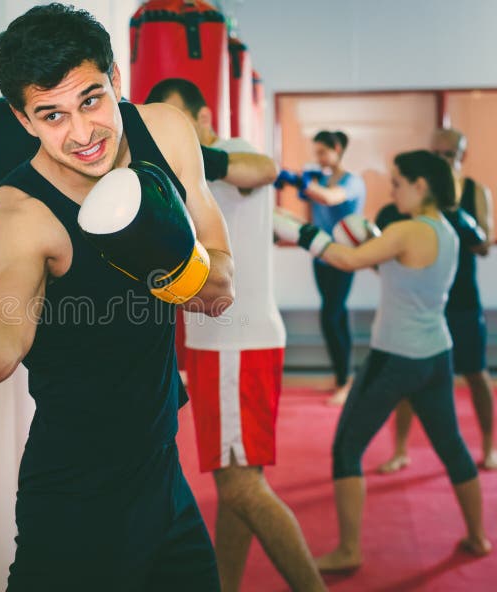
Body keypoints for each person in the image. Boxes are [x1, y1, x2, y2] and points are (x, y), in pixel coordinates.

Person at [0, 5, 274, 590]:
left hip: (162, 470)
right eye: (52, 115)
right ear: (24, 120)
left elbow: (220, 285)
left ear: (116, 80)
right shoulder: (23, 214)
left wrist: (170, 265)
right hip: (77, 496)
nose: (83, 133)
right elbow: (1, 345)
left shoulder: (164, 132)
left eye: (91, 100)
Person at [145, 78, 325, 592]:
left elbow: (265, 169)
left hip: (234, 343)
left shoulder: (231, 152)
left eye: (178, 119)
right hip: (221, 343)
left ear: (203, 117)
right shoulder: (182, 173)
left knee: (242, 487)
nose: (171, 132)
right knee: (235, 485)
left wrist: (194, 153)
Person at [274, 150, 492, 571]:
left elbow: (347, 260)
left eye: (397, 183)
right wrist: (370, 236)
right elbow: (394, 270)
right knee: (451, 446)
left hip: (395, 356)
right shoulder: (445, 230)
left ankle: (349, 550)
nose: (392, 191)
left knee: (347, 448)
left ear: (420, 185)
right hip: (435, 354)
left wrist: (292, 227)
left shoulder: (409, 230)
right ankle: (479, 536)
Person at [378, 128, 496, 473]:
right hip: (420, 299)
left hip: (462, 297)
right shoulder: (412, 198)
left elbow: (483, 244)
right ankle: (400, 449)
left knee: (475, 373)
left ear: (462, 156)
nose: (444, 159)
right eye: (438, 153)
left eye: (450, 154)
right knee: (406, 376)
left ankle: (489, 446)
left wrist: (462, 217)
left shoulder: (474, 192)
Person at [277, 131, 366, 405]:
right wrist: (289, 179)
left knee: (333, 314)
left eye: (322, 152)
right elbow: (310, 196)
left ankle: (346, 381)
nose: (318, 158)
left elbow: (328, 198)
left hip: (343, 257)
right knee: (332, 315)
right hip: (320, 258)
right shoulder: (322, 178)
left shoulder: (352, 182)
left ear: (337, 148)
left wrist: (303, 181)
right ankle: (341, 377)